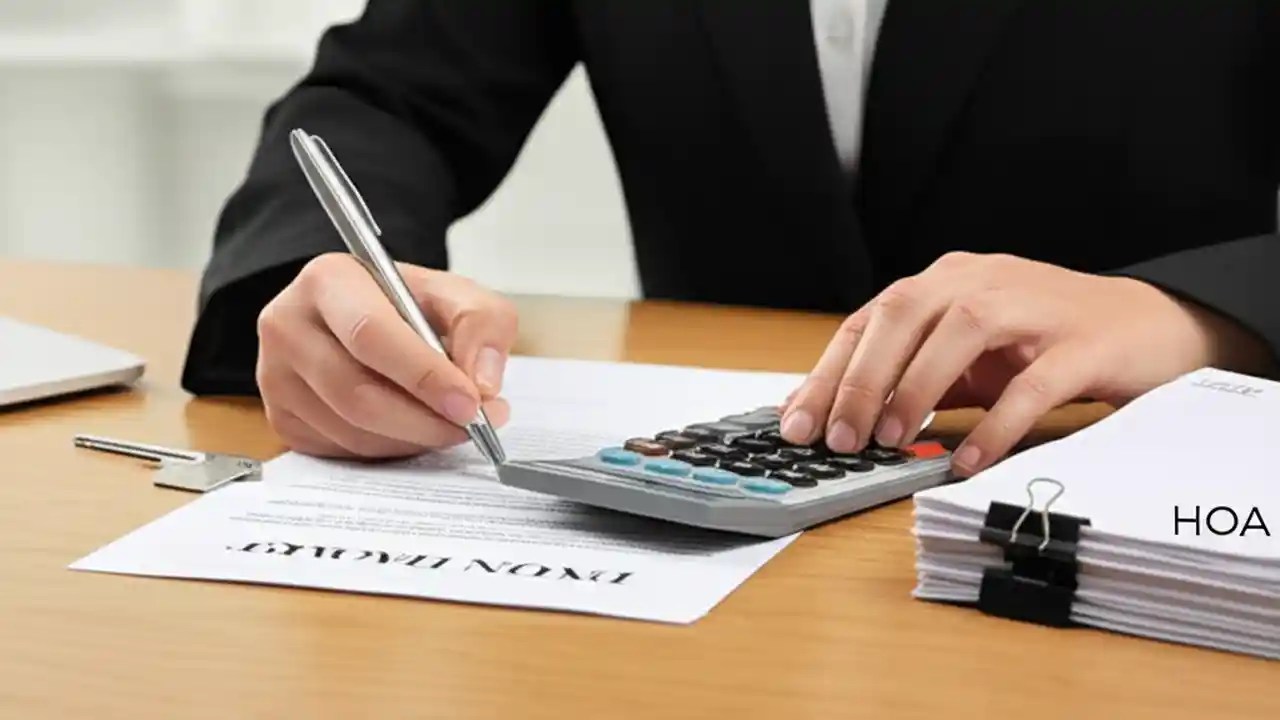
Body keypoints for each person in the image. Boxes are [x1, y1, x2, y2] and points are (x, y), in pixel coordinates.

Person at [182, 1, 1280, 476]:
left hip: (1120, 505)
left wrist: (1192, 314)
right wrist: (313, 287)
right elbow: (382, 100)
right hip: (700, 542)